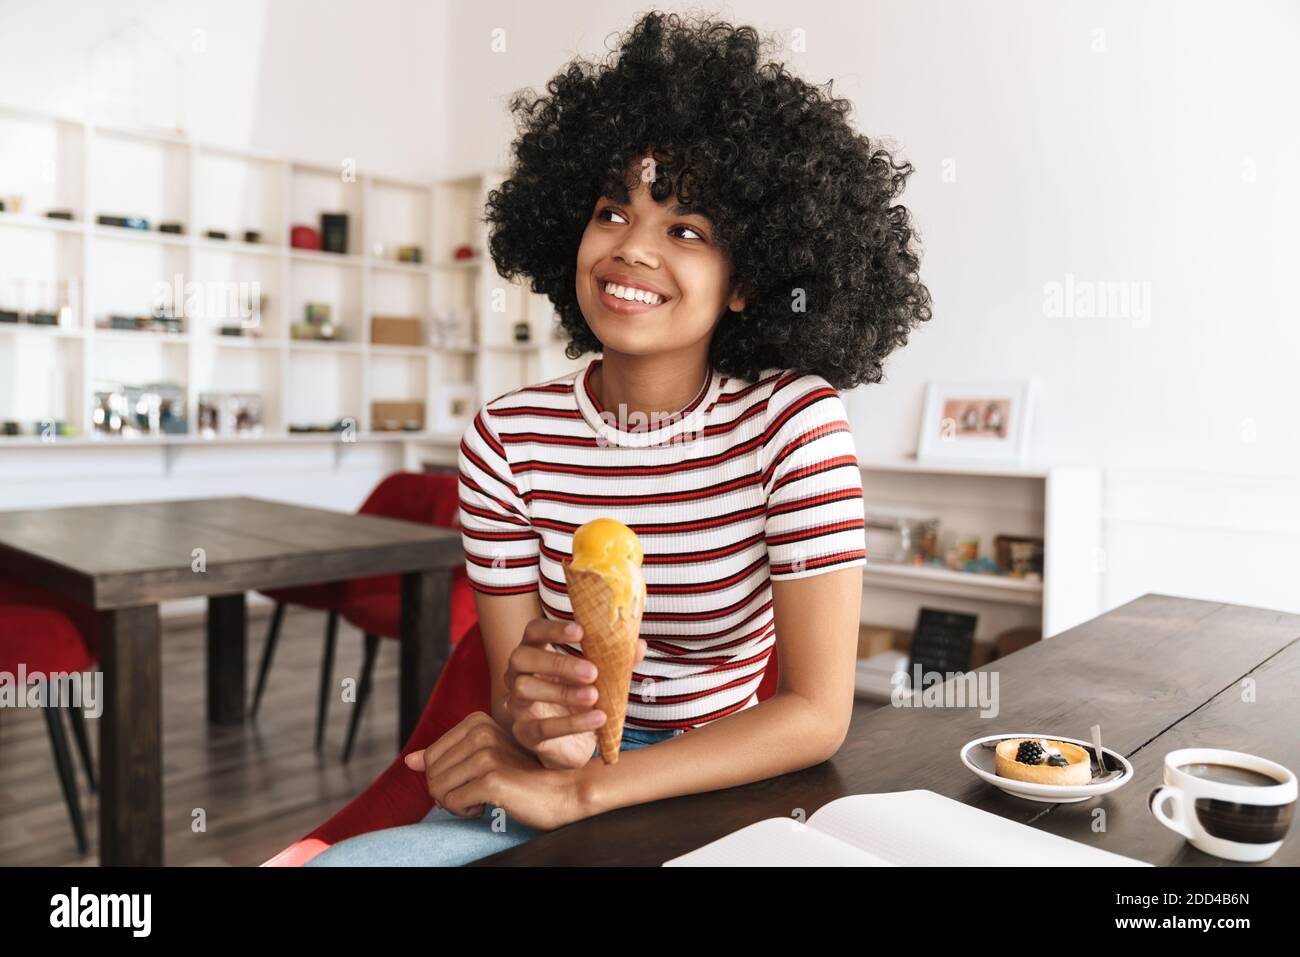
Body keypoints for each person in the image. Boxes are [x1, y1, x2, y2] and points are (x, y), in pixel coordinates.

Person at [308, 9, 931, 867]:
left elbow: (817, 715)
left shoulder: (793, 425)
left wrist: (586, 790)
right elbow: (511, 695)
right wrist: (540, 717)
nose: (631, 249)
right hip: (552, 772)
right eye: (612, 211)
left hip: (725, 777)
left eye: (687, 230)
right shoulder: (505, 440)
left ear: (745, 283)